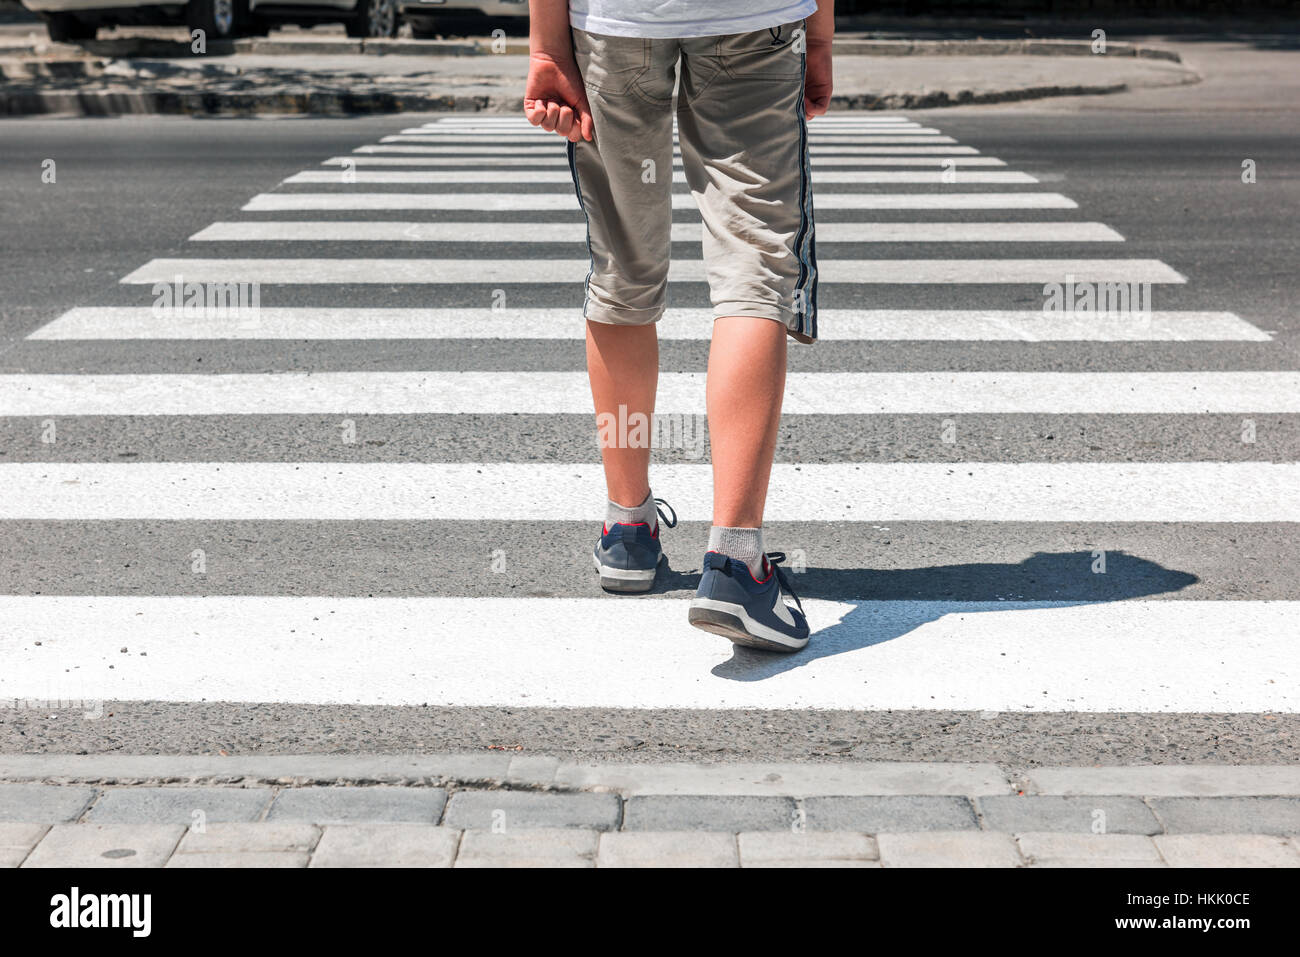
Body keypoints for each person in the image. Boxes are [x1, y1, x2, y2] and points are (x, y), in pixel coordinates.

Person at [524, 0, 833, 653]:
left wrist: (547, 46)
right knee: (753, 265)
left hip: (617, 20)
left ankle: (628, 530)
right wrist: (821, 31)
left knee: (622, 266)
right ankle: (735, 562)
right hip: (754, 17)